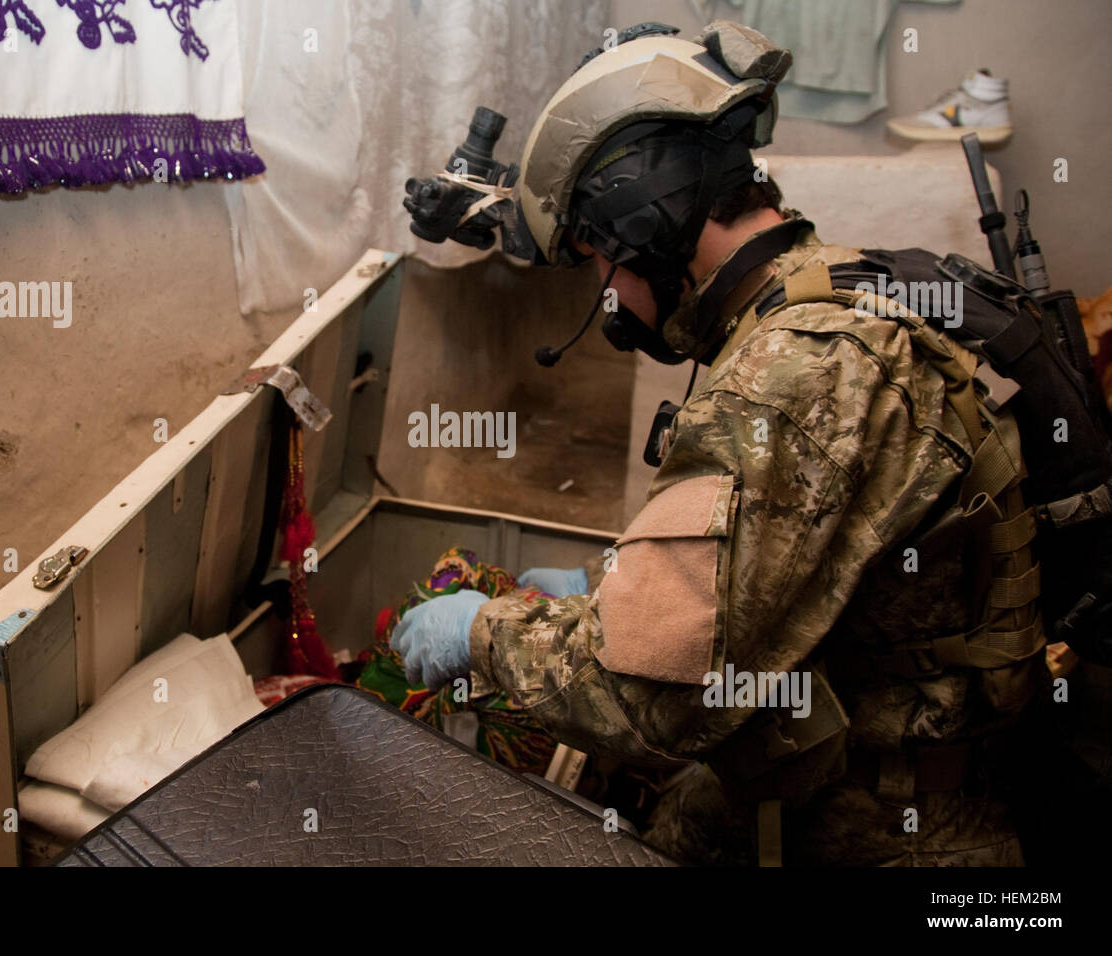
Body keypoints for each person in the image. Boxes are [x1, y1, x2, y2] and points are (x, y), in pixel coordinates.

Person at [396, 21, 1050, 866]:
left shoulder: (790, 376)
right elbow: (790, 547)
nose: (610, 293)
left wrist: (481, 632)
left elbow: (647, 706)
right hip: (853, 743)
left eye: (602, 258)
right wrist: (611, 586)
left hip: (890, 825)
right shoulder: (841, 287)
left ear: (645, 222)